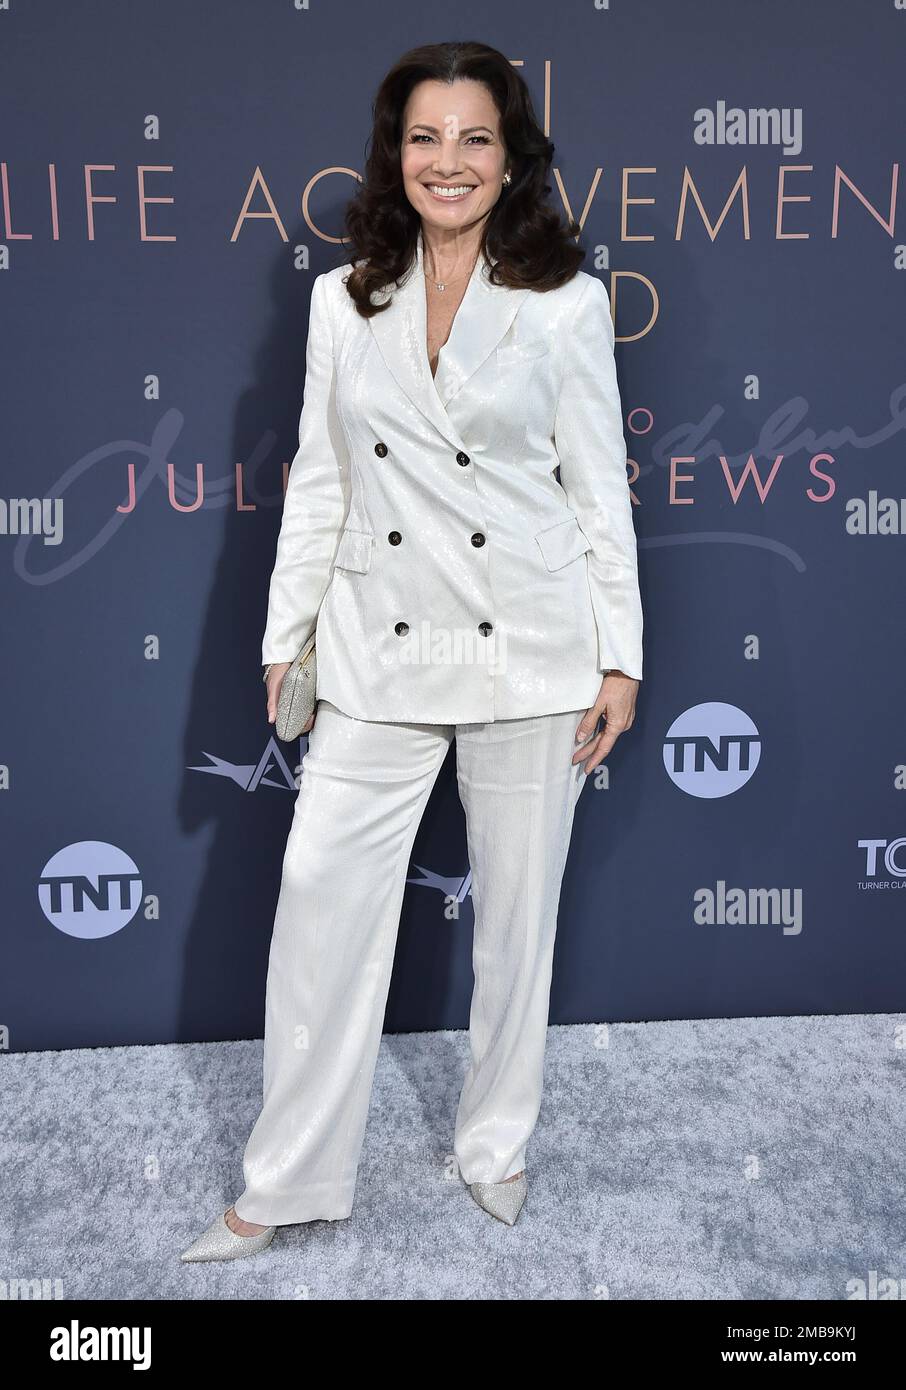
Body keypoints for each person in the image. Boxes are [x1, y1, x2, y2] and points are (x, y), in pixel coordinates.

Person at [180, 38, 643, 1263]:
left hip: (529, 650)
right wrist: (288, 642)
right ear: (395, 152)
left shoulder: (566, 299)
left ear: (511, 157)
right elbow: (322, 482)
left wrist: (622, 657)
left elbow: (602, 491)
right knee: (321, 912)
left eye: (475, 138)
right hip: (377, 647)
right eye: (426, 136)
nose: (450, 160)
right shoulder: (345, 298)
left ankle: (495, 1145)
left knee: (517, 925)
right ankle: (284, 1181)